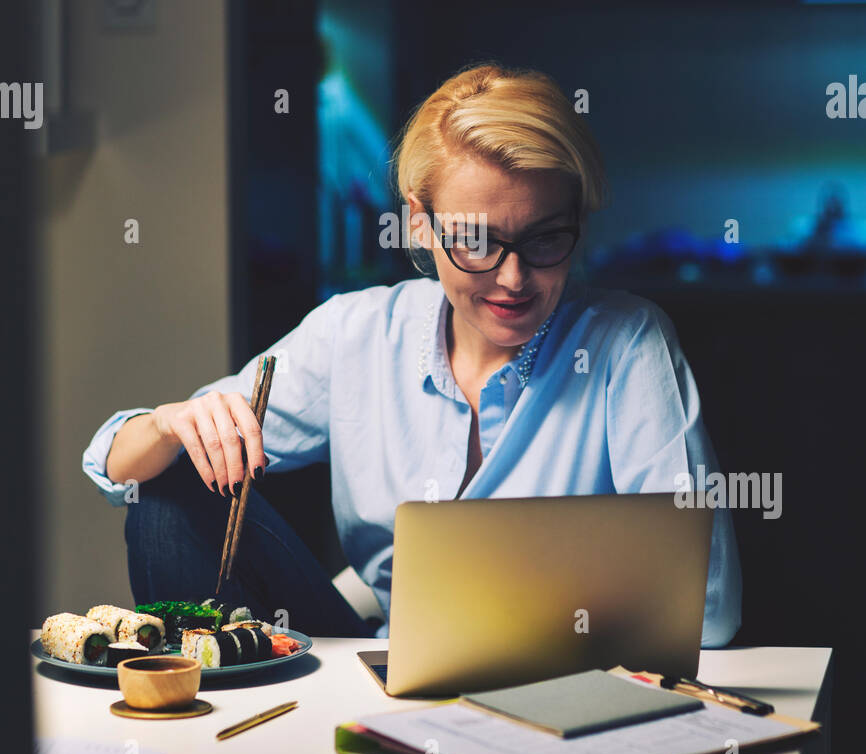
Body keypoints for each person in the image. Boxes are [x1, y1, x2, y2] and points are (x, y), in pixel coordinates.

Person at [83, 63, 742, 644]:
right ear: (419, 222)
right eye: (476, 242)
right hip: (389, 665)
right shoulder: (357, 335)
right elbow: (115, 461)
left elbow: (706, 610)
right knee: (168, 486)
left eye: (546, 240)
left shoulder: (627, 344)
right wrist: (168, 424)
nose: (513, 279)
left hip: (564, 672)